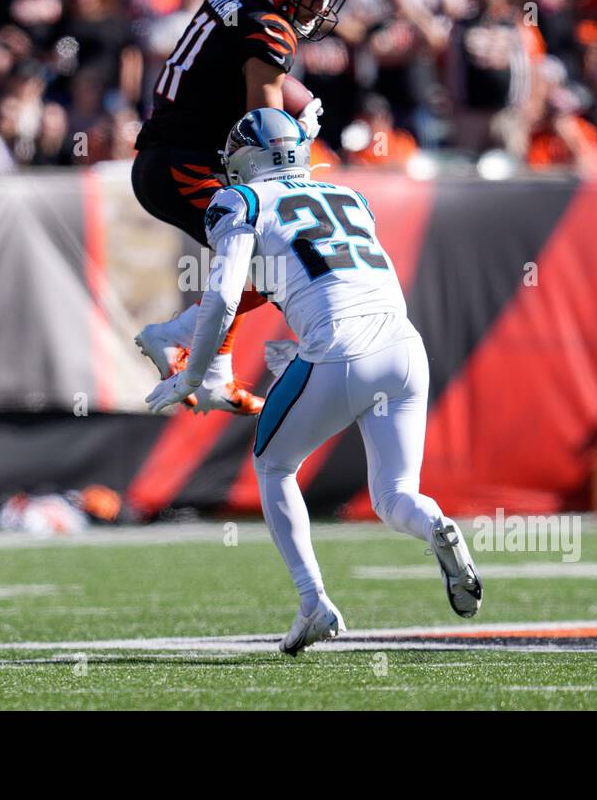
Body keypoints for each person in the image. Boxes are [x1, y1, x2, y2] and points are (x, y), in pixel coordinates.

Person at [143, 108, 482, 654]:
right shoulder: (349, 197)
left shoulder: (240, 200)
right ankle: (436, 524)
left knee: (274, 465)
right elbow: (314, 274)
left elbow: (225, 298)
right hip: (404, 347)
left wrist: (193, 376)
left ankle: (313, 600)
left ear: (248, 157)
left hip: (338, 349)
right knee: (397, 496)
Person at [131, 0, 347, 415]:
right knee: (273, 253)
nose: (321, 8)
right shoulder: (272, 30)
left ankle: (213, 371)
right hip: (183, 165)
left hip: (168, 156)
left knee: (254, 255)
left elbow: (237, 66)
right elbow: (263, 128)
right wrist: (298, 138)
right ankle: (176, 337)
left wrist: (302, 98)